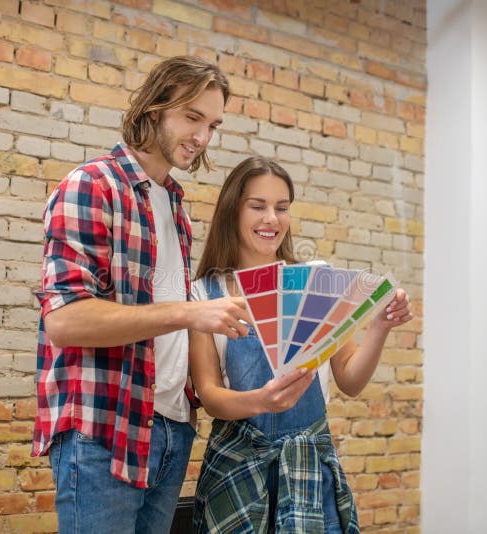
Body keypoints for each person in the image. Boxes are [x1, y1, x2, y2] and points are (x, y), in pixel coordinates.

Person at [33, 56, 252, 534]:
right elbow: (65, 321)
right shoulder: (93, 185)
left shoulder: (175, 207)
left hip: (171, 428)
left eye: (213, 125)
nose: (202, 137)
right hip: (106, 429)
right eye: (192, 117)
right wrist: (190, 313)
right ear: (155, 108)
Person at [190, 157, 413, 533]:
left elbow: (350, 380)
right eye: (258, 206)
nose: (271, 219)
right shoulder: (205, 294)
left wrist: (379, 327)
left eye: (281, 208)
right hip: (236, 473)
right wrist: (260, 401)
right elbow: (209, 395)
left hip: (309, 475)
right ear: (233, 210)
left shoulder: (316, 281)